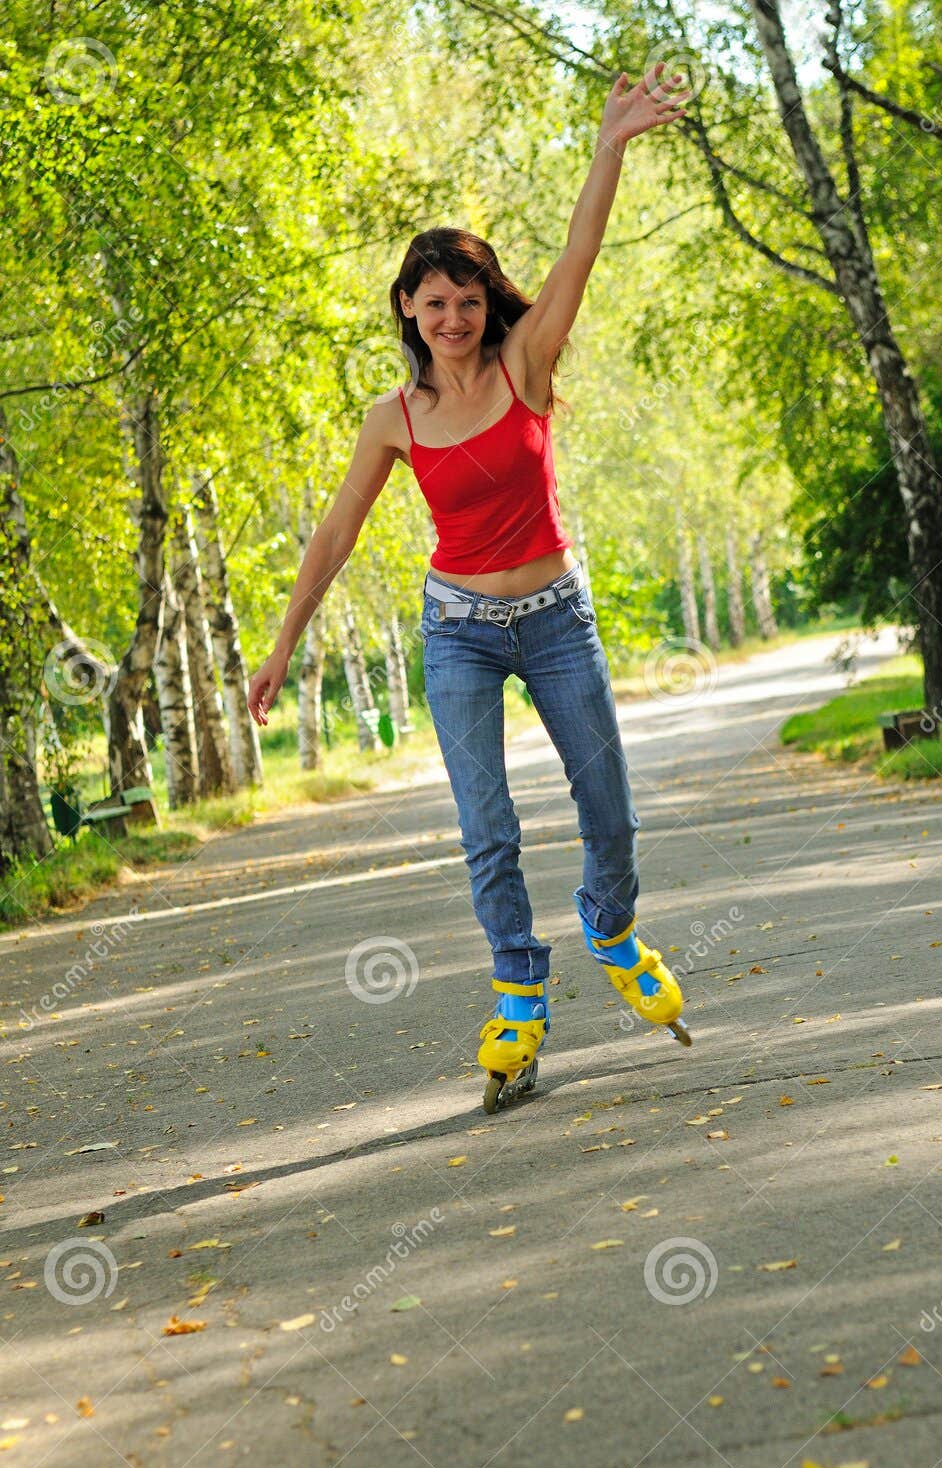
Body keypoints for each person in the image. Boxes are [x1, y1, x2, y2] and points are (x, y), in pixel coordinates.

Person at [248, 64, 693, 1111]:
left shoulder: (525, 365)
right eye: (434, 301)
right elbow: (333, 537)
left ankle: (611, 925)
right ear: (407, 307)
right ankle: (517, 992)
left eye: (468, 298)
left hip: (554, 620)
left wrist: (611, 143)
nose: (453, 316)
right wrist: (281, 645)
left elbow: (578, 252)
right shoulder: (390, 418)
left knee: (609, 814)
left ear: (488, 301)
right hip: (457, 628)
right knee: (486, 826)